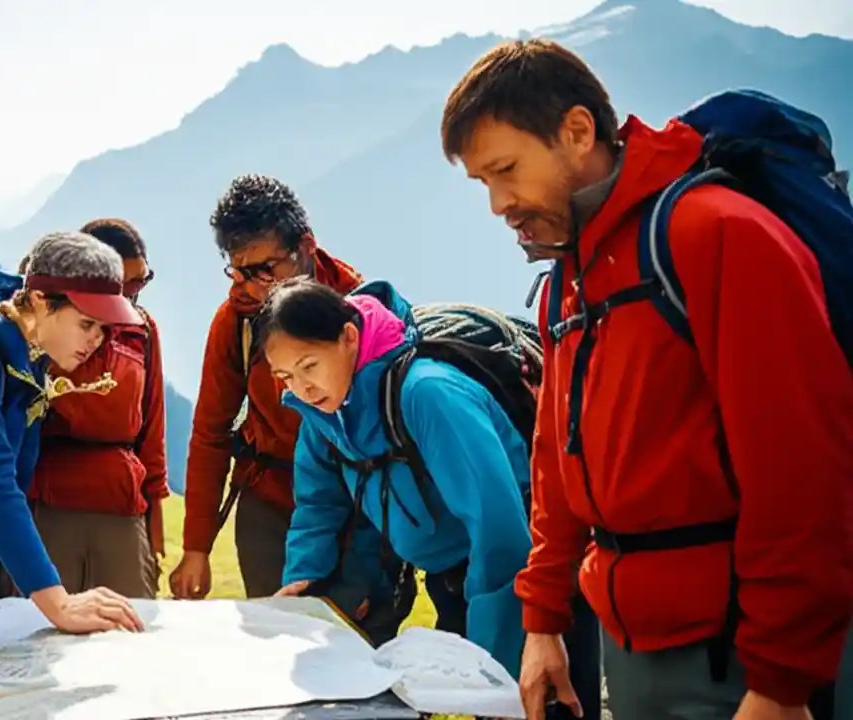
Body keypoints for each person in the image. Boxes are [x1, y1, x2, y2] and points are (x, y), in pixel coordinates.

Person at [441, 38, 853, 720]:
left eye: (506, 170)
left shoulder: (717, 235)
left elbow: (803, 470)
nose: (498, 203)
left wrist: (782, 681)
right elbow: (555, 461)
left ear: (577, 132)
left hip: (742, 658)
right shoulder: (566, 281)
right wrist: (543, 621)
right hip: (630, 646)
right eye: (483, 182)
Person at [262, 278, 600, 708]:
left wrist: (496, 669)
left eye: (309, 366)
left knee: (539, 705)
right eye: (286, 376)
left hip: (534, 582)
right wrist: (302, 578)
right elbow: (318, 506)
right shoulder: (325, 414)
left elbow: (499, 532)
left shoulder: (428, 393)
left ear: (349, 337)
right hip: (454, 581)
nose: (302, 388)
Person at [0, 230, 148, 634]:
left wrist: (22, 570)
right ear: (38, 300)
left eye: (103, 327)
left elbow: (19, 466)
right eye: (87, 323)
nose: (97, 340)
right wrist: (59, 602)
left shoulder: (30, 337)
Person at [169, 173, 366, 601]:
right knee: (276, 636)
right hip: (269, 503)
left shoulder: (359, 311)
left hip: (355, 508)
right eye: (240, 270)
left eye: (265, 269)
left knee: (358, 641)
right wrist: (197, 547)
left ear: (306, 248)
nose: (252, 284)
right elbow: (210, 432)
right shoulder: (237, 321)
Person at [26, 218, 169, 598]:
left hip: (121, 502)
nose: (135, 296)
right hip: (48, 501)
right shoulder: (44, 330)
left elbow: (151, 426)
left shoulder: (144, 332)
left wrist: (154, 525)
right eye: (127, 286)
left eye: (143, 282)